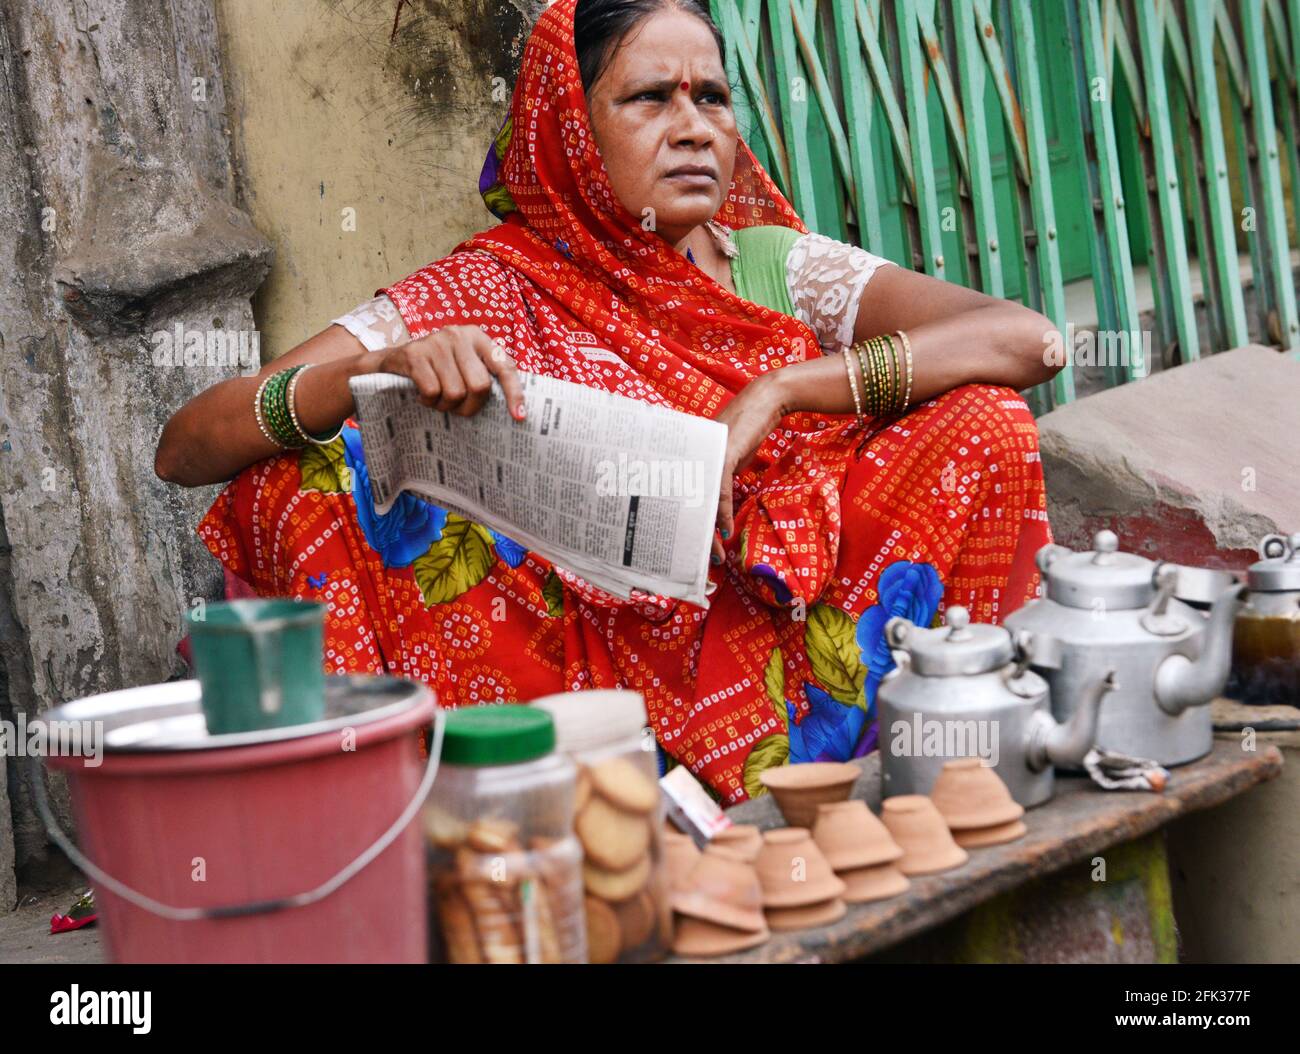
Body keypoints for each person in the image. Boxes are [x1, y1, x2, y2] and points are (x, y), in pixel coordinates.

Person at [155, 0, 1062, 802]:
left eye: (711, 96)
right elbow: (186, 447)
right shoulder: (495, 285)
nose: (694, 126)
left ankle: (927, 757)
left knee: (984, 421)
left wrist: (782, 388)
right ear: (571, 129)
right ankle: (430, 811)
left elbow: (1029, 341)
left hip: (793, 627)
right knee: (299, 480)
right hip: (585, 659)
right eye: (650, 98)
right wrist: (377, 368)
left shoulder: (773, 266)